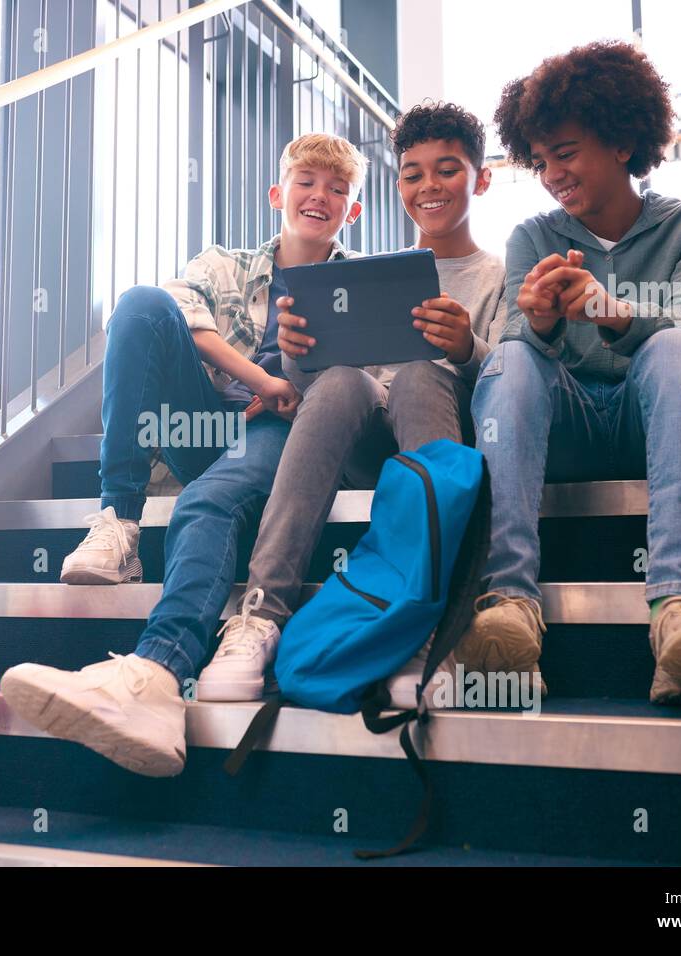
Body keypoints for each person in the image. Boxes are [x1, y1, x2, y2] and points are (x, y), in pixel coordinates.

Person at [0, 134, 367, 775]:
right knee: (140, 303)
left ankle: (153, 675)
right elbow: (182, 313)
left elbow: (364, 386)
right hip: (206, 424)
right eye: (307, 181)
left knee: (208, 500)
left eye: (339, 189)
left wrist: (293, 391)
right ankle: (117, 523)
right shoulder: (226, 264)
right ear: (279, 194)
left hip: (287, 433)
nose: (322, 196)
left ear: (353, 211)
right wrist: (263, 381)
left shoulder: (359, 284)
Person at [460, 41, 681, 704]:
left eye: (565, 153)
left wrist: (613, 311)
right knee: (510, 357)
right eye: (540, 161)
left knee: (680, 349)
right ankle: (508, 601)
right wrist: (535, 323)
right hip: (563, 428)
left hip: (651, 420)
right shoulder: (532, 236)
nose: (552, 174)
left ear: (622, 140)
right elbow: (512, 350)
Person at [209, 101, 510, 706]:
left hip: (438, 432)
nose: (428, 186)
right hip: (363, 439)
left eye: (447, 170)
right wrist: (295, 354)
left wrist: (468, 349)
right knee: (344, 379)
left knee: (424, 374)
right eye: (412, 173)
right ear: (399, 186)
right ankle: (261, 614)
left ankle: (425, 627)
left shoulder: (500, 274)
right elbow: (319, 384)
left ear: (480, 179)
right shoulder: (363, 273)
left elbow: (512, 379)